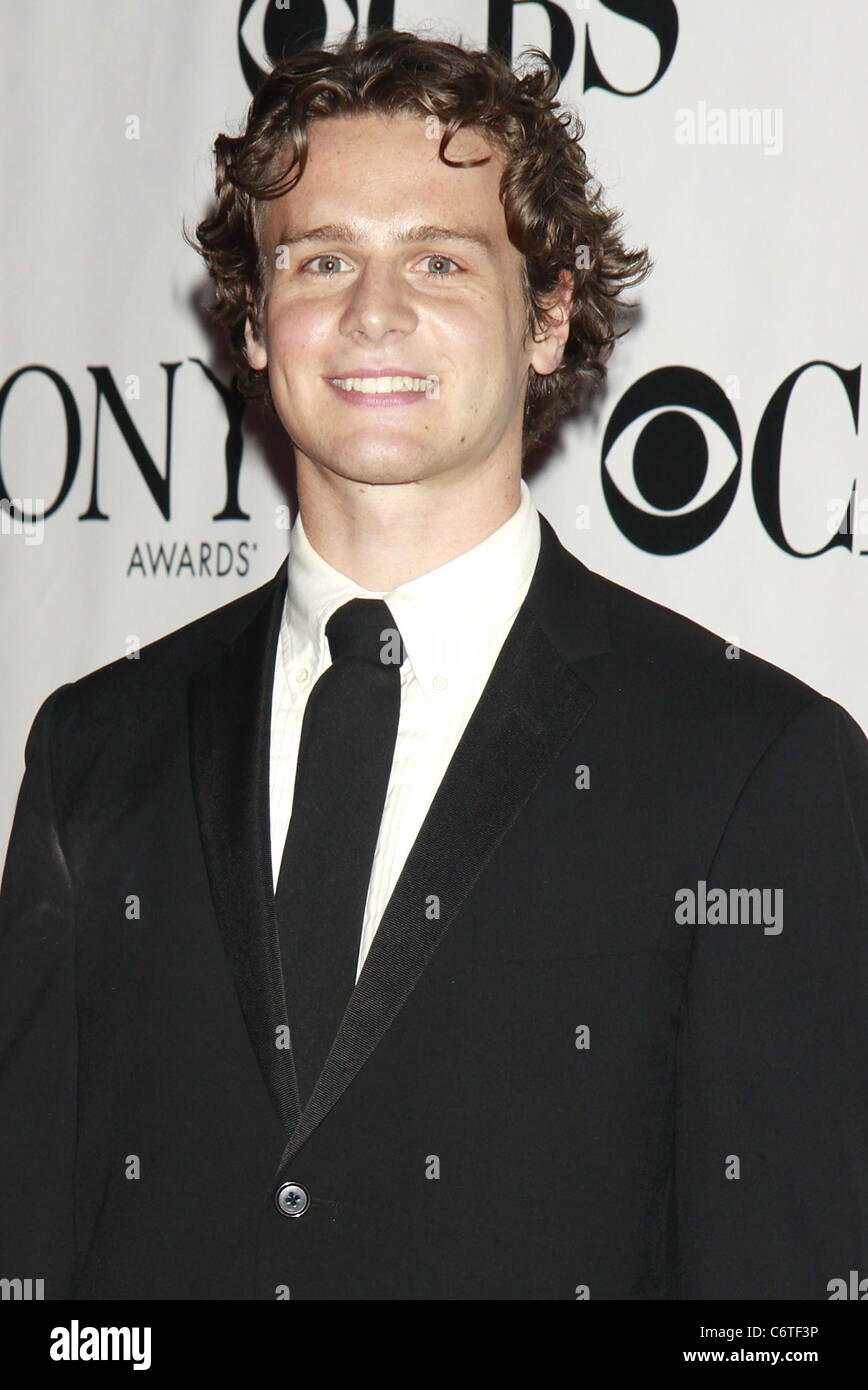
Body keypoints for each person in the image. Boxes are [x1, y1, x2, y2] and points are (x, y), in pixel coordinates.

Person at [1, 27, 866, 1301]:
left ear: (547, 314)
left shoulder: (750, 766)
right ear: (253, 321)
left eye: (442, 259)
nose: (374, 311)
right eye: (323, 257)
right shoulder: (94, 747)